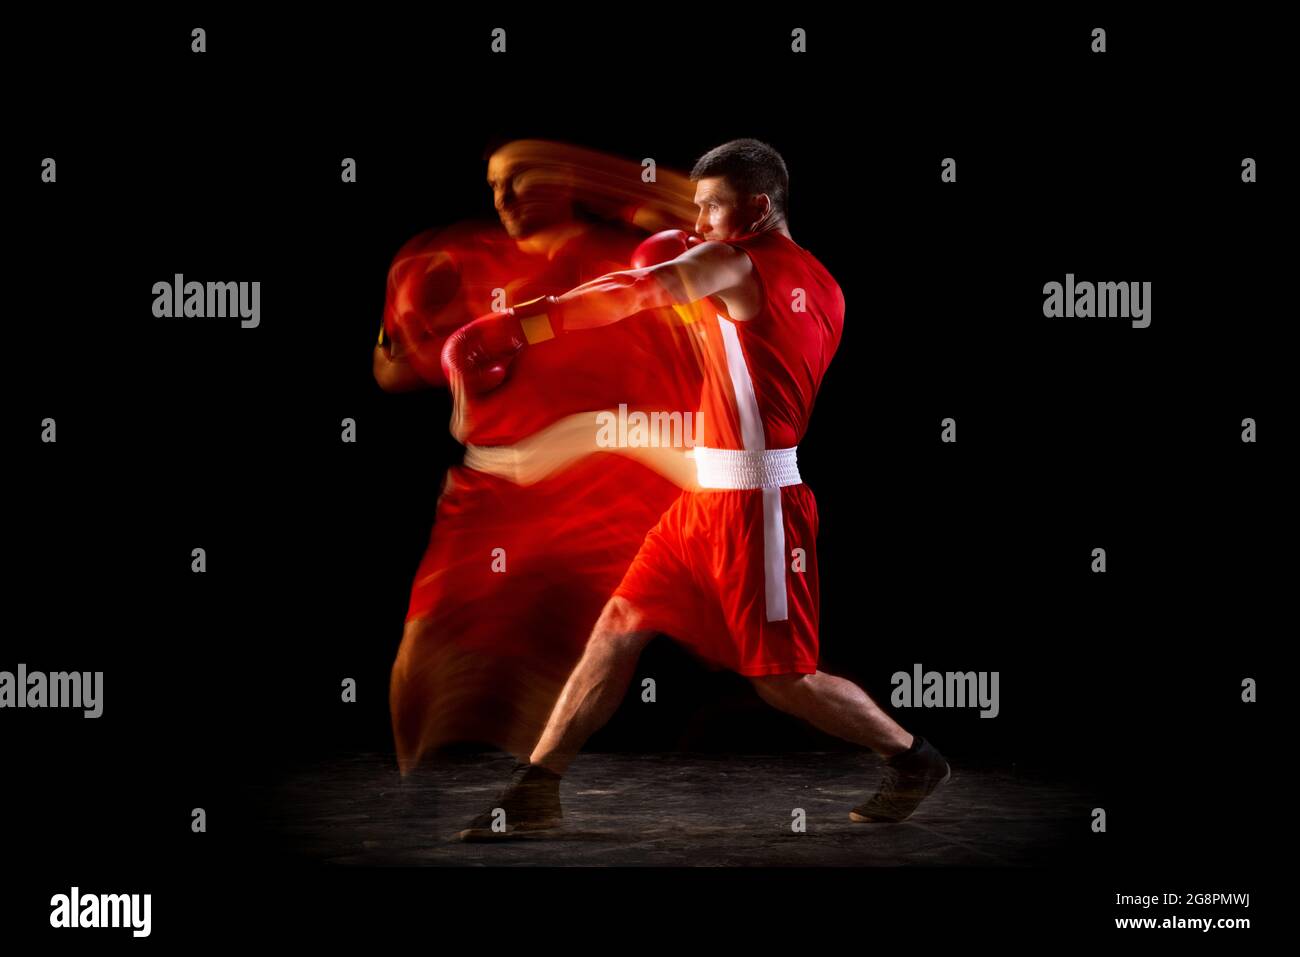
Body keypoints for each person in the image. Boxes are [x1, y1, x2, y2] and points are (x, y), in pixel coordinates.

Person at [449, 139, 950, 840]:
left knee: (784, 679)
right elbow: (750, 349)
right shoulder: (825, 284)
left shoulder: (732, 260)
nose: (702, 222)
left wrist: (516, 325)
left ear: (758, 208)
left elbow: (629, 296)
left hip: (756, 506)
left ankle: (911, 758)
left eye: (713, 207)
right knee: (617, 627)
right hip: (704, 502)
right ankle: (537, 788)